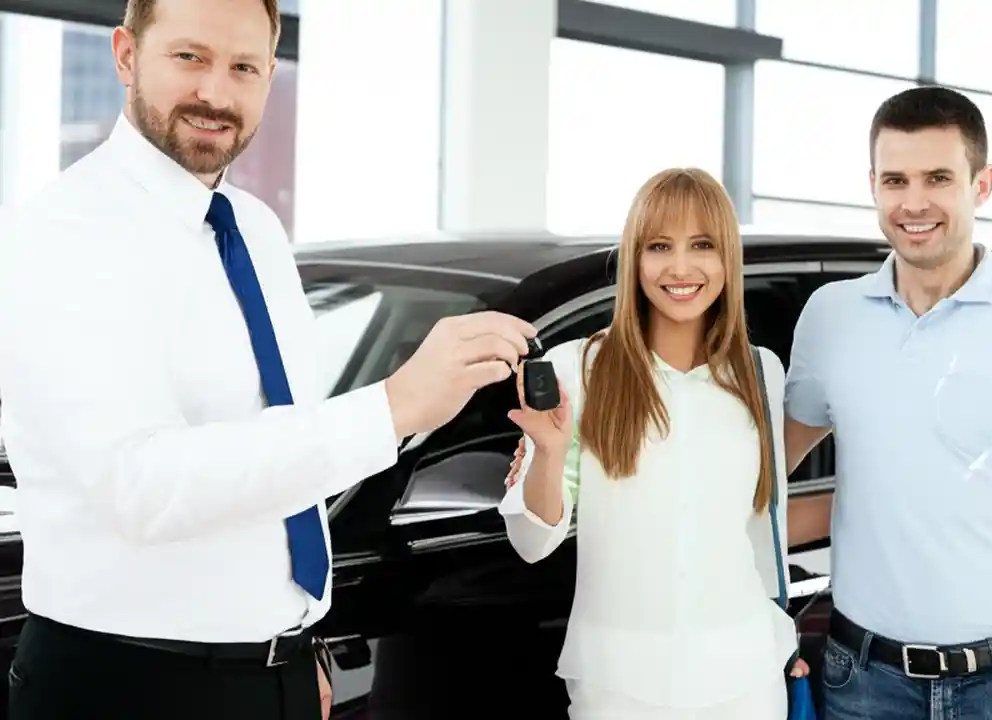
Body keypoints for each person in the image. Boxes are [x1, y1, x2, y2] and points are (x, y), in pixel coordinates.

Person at [0, 1, 535, 718]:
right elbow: (139, 486)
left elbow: (281, 437)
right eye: (190, 57)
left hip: (272, 675)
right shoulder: (62, 234)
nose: (217, 94)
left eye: (244, 66)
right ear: (126, 54)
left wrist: (292, 636)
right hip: (128, 684)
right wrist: (393, 406)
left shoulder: (252, 228)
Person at [782, 85, 992, 719]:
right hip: (861, 684)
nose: (914, 203)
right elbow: (759, 473)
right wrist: (629, 345)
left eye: (938, 177)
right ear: (873, 185)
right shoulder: (830, 317)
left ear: (982, 183)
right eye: (895, 180)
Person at [500, 167, 809, 719]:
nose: (681, 267)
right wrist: (548, 454)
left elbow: (763, 528)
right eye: (660, 246)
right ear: (635, 258)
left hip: (746, 681)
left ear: (726, 260)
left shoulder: (760, 372)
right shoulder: (578, 369)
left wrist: (778, 638)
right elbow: (532, 542)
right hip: (619, 687)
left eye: (703, 246)